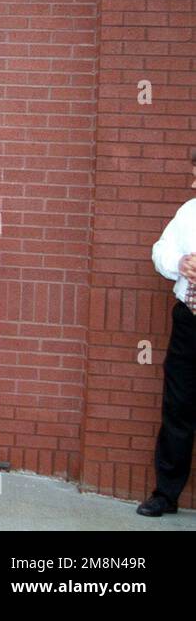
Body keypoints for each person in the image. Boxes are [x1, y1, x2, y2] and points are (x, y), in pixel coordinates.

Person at [136, 153, 196, 517]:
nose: (193, 184)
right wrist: (179, 264)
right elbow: (160, 252)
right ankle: (166, 493)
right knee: (178, 406)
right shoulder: (190, 211)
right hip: (189, 321)